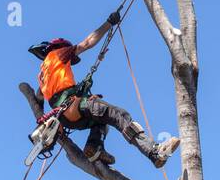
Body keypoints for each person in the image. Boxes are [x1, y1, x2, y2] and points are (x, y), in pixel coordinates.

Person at [29, 11, 180, 168]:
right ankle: (154, 151)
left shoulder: (43, 74)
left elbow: (39, 97)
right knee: (118, 114)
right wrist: (109, 23)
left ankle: (94, 147)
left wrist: (43, 120)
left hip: (65, 119)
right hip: (71, 106)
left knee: (101, 120)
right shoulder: (59, 53)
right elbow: (86, 43)